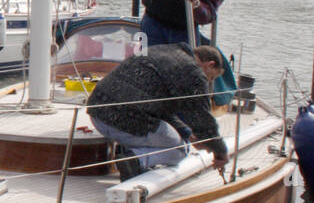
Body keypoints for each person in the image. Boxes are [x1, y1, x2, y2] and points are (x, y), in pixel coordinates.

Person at [86, 43, 229, 180]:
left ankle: (127, 151)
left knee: (167, 132)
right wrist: (220, 151)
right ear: (210, 64)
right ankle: (135, 160)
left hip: (98, 114)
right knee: (180, 150)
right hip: (124, 122)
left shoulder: (161, 50)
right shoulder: (193, 72)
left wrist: (187, 133)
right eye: (211, 77)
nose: (208, 81)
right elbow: (202, 119)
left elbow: (160, 109)